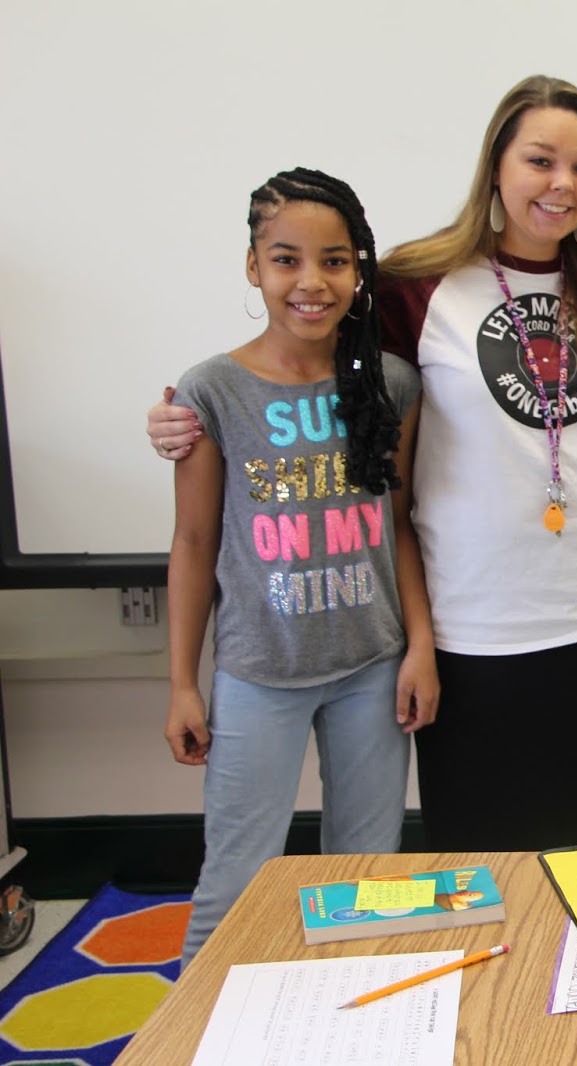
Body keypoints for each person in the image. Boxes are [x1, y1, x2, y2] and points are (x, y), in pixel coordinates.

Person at [151, 77, 577, 851]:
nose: (562, 185)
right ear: (497, 167)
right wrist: (191, 415)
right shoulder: (416, 286)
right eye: (541, 160)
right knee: (489, 864)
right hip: (474, 626)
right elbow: (308, 356)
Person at [166, 168, 434, 966]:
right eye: (286, 260)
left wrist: (418, 644)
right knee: (236, 880)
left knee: (368, 874)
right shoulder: (212, 390)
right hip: (259, 675)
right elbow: (192, 542)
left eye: (335, 261)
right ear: (254, 267)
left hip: (372, 671)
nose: (311, 282)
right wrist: (183, 681)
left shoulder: (392, 384)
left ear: (360, 271)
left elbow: (400, 526)